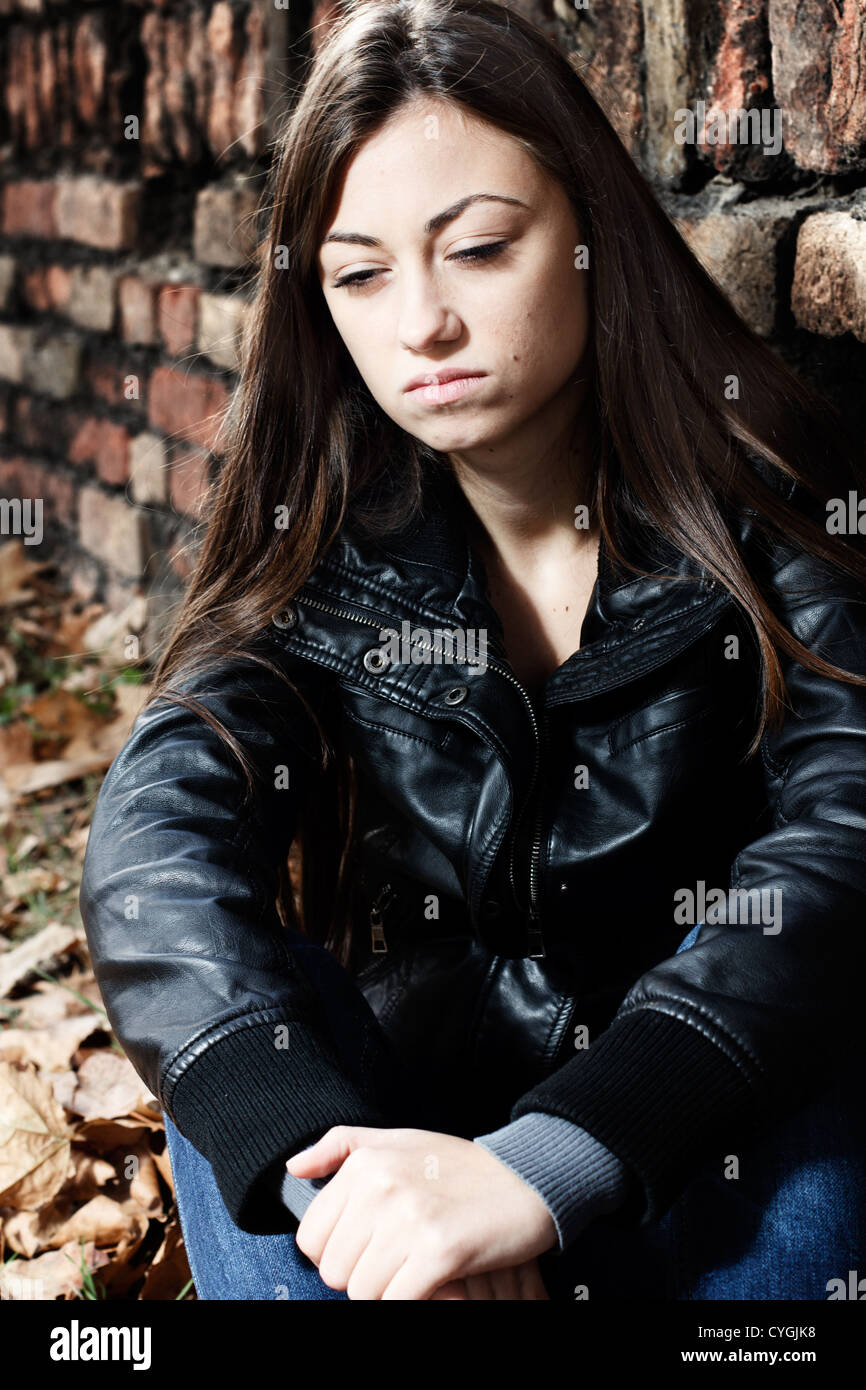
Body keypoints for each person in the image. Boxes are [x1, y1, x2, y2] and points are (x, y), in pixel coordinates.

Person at [79, 0, 866, 1301]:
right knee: (259, 1072)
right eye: (360, 274)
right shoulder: (319, 548)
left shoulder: (772, 498)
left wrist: (547, 1167)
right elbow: (157, 839)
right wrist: (356, 1200)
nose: (422, 325)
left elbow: (844, 838)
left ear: (590, 238)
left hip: (699, 1117)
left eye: (480, 248)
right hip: (412, 1121)